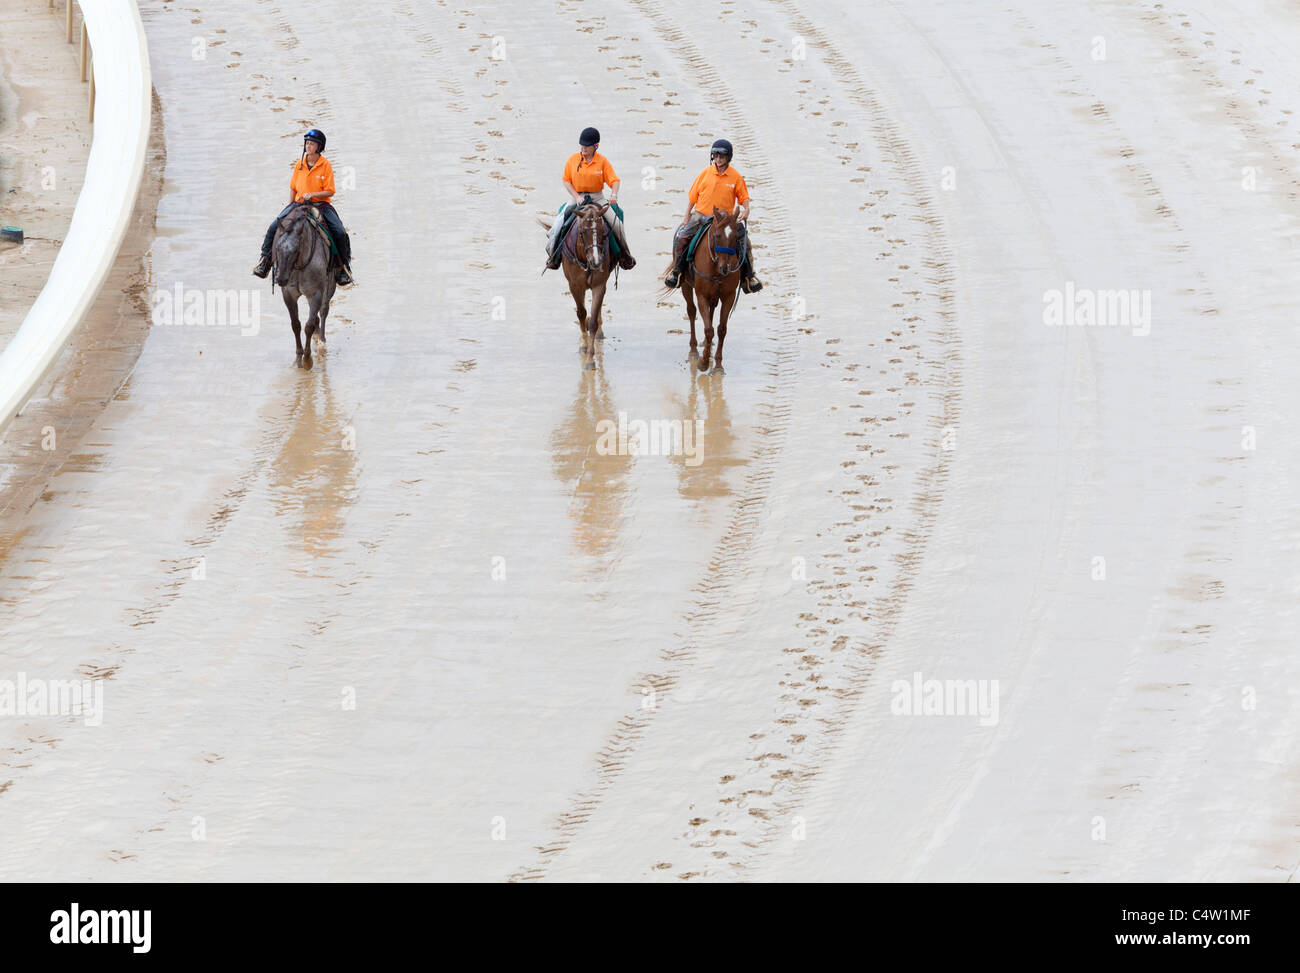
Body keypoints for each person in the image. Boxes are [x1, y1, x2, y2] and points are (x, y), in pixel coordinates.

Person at [253, 128, 353, 286]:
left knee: (339, 232)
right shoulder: (299, 164)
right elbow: (293, 187)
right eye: (307, 143)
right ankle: (265, 261)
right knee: (274, 226)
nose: (308, 146)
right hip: (298, 204)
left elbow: (330, 191)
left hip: (321, 204)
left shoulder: (325, 165)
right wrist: (291, 205)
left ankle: (343, 268)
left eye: (312, 144)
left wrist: (313, 195)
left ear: (319, 147)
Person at [664, 138, 762, 293]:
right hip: (701, 215)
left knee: (745, 242)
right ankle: (677, 272)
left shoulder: (735, 176)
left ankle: (749, 277)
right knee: (682, 238)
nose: (718, 159)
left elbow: (744, 198)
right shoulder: (705, 173)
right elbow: (692, 197)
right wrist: (686, 217)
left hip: (725, 219)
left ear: (728, 157)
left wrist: (746, 209)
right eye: (715, 155)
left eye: (721, 156)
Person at [545, 127, 635, 271]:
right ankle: (554, 257)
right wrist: (576, 196)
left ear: (596, 146)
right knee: (559, 223)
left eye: (587, 146)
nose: (583, 148)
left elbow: (615, 180)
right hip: (578, 197)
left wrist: (614, 194)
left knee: (617, 224)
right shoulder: (573, 159)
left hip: (597, 197)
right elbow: (566, 181)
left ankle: (625, 256)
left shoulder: (602, 161)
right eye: (582, 145)